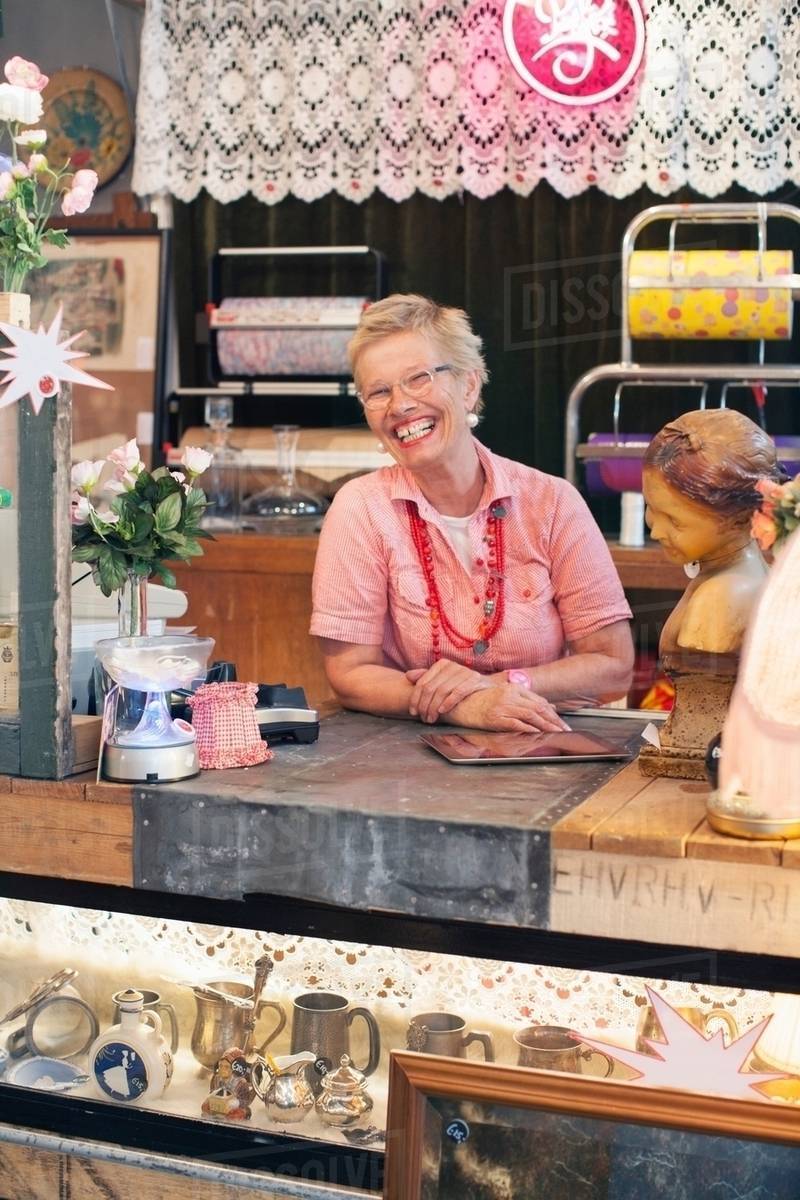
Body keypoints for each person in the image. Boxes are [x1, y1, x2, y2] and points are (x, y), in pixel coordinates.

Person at [310, 294, 633, 732]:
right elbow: (350, 674)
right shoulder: (359, 509)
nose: (400, 405)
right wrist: (460, 706)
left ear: (469, 386)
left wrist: (495, 688)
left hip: (540, 744)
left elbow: (613, 665)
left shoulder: (554, 502)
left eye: (418, 379)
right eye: (379, 392)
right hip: (404, 752)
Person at [642, 409, 783, 656]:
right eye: (651, 508)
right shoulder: (752, 574)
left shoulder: (720, 597)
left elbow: (702, 682)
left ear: (739, 519)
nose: (656, 532)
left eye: (675, 521)